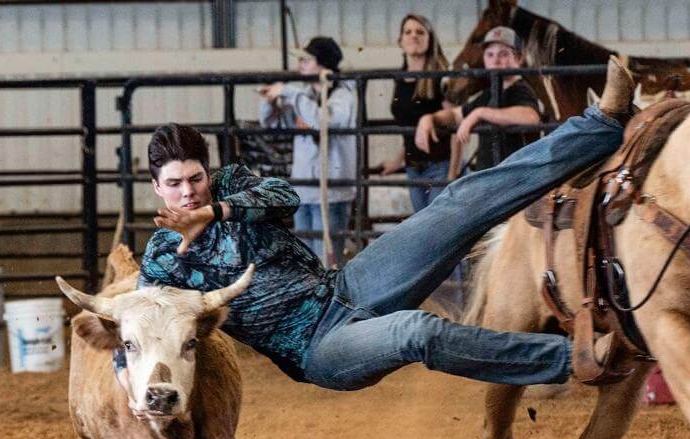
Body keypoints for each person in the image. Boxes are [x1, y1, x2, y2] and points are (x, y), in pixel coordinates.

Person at [115, 57, 635, 393]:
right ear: (157, 188)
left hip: (346, 287)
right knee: (418, 332)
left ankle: (602, 126)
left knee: (458, 202)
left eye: (195, 179)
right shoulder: (164, 260)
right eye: (177, 184)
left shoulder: (229, 186)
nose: (189, 192)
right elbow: (137, 334)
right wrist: (129, 382)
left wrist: (216, 210)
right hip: (317, 350)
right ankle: (574, 359)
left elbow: (283, 198)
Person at [258, 36, 355, 267]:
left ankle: (330, 297)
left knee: (328, 255)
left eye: (307, 59)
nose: (301, 62)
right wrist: (270, 102)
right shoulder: (304, 94)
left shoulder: (343, 94)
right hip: (305, 187)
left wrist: (291, 94)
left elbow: (324, 121)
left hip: (332, 190)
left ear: (323, 62)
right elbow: (274, 124)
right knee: (304, 254)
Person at [415, 26, 540, 171]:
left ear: (519, 58)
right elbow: (456, 114)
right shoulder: (489, 94)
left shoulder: (521, 89)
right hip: (490, 174)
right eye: (490, 55)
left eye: (503, 54)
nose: (496, 61)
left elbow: (531, 117)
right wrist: (429, 119)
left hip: (516, 176)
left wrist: (479, 113)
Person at [380, 14, 460, 212]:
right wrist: (396, 162)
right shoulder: (399, 79)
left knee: (435, 224)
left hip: (439, 165)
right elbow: (409, 129)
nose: (413, 36)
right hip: (413, 167)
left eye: (420, 32)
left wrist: (452, 173)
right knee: (422, 223)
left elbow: (457, 126)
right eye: (408, 32)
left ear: (429, 39)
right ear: (400, 41)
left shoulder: (440, 78)